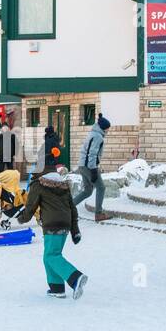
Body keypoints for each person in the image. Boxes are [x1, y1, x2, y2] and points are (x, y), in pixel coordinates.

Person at [19, 164, 87, 299]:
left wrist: (22, 218)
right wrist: (75, 231)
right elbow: (73, 209)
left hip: (52, 225)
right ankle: (57, 288)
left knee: (52, 256)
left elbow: (31, 206)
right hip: (65, 225)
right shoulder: (63, 184)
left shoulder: (38, 184)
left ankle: (75, 278)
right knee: (49, 256)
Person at [73, 115, 111, 221]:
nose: (108, 130)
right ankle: (98, 214)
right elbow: (92, 153)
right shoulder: (98, 136)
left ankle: (68, 207)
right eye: (108, 128)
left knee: (88, 191)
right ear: (104, 127)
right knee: (101, 187)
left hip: (82, 165)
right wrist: (94, 170)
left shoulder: (93, 134)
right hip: (88, 166)